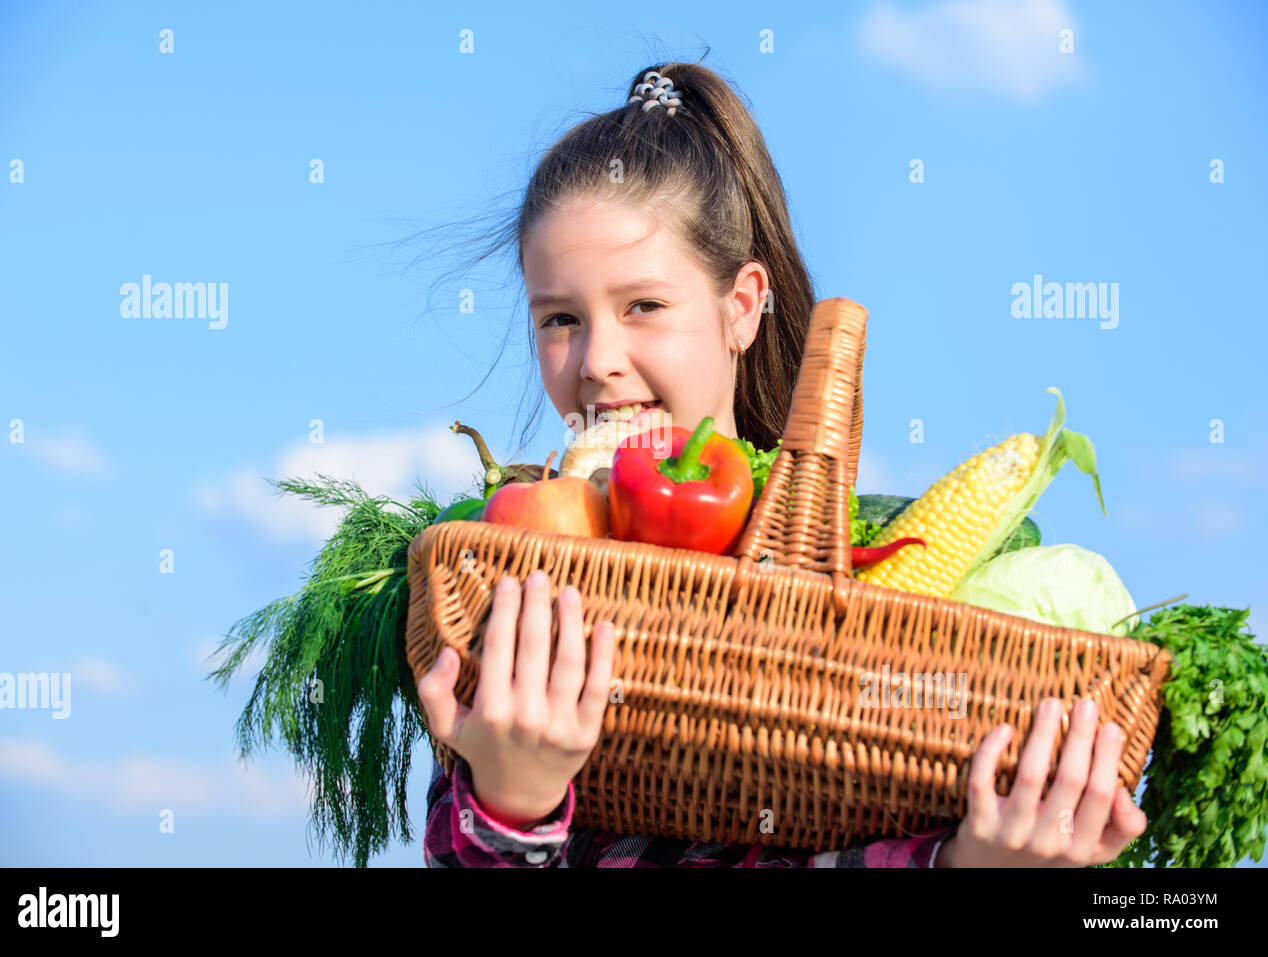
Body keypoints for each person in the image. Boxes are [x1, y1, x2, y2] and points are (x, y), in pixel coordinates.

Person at [415, 61, 1148, 868]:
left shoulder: (860, 583)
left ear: (742, 306)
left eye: (644, 306)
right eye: (559, 318)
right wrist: (516, 798)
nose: (597, 359)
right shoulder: (518, 595)